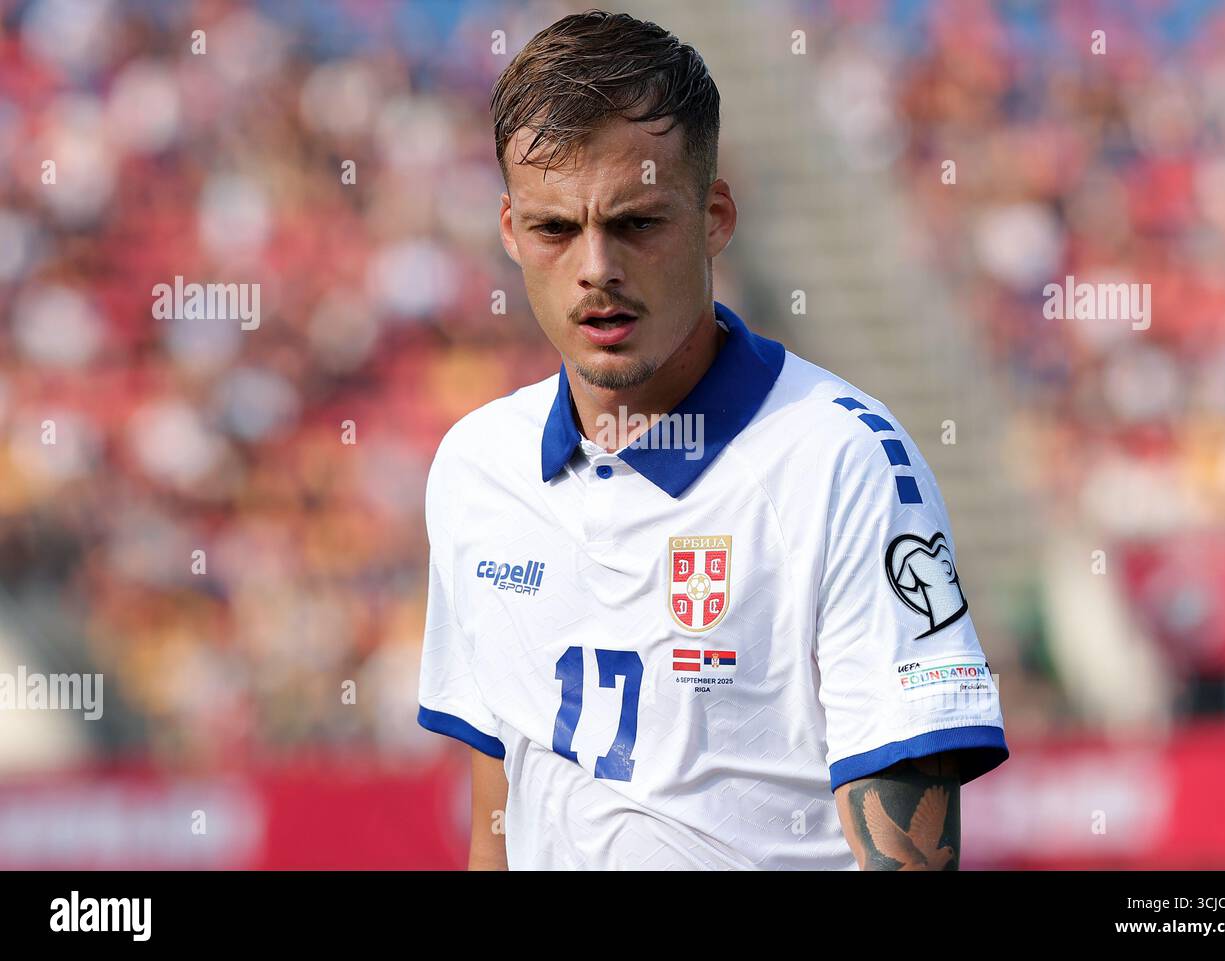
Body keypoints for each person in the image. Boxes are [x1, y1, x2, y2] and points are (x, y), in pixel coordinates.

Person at [417, 10, 1007, 870]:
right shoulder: (476, 467)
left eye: (638, 223)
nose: (596, 269)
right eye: (555, 229)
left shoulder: (843, 464)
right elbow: (499, 816)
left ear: (715, 216)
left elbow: (911, 858)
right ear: (511, 232)